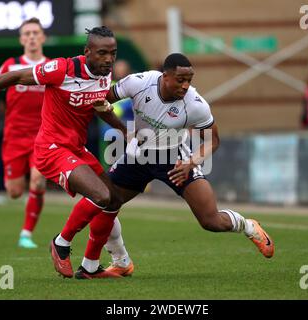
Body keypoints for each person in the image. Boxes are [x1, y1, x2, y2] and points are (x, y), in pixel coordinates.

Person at [0, 26, 128, 279]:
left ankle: (90, 268)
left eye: (113, 53)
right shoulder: (62, 68)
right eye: (102, 53)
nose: (108, 59)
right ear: (87, 52)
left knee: (113, 200)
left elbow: (99, 106)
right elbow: (15, 76)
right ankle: (61, 243)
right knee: (101, 196)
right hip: (52, 148)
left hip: (75, 147)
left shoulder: (104, 75)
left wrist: (124, 129)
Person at [79, 53, 275, 278]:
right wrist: (124, 129)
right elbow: (101, 101)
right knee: (104, 203)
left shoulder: (195, 104)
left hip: (175, 159)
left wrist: (191, 163)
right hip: (138, 155)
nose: (186, 85)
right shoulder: (140, 82)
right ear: (165, 77)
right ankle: (121, 261)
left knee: (210, 221)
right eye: (180, 80)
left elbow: (213, 140)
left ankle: (248, 226)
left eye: (189, 80)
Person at [0, 18, 49, 249]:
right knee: (14, 192)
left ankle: (26, 233)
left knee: (37, 180)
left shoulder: (52, 67)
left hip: (42, 136)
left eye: (36, 32)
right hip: (14, 136)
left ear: (43, 37)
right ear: (21, 39)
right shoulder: (11, 65)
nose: (32, 37)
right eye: (27, 33)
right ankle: (23, 197)